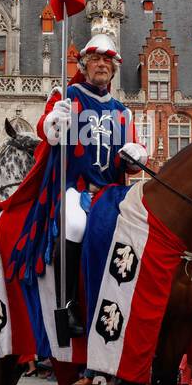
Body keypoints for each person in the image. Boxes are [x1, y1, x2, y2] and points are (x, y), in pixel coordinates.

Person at [35, 33, 148, 337]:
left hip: (111, 193)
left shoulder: (122, 112)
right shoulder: (67, 95)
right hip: (75, 187)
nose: (101, 65)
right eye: (96, 59)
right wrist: (52, 123)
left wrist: (136, 154)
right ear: (84, 65)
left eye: (107, 60)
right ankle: (66, 304)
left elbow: (129, 160)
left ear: (113, 68)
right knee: (73, 224)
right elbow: (46, 138)